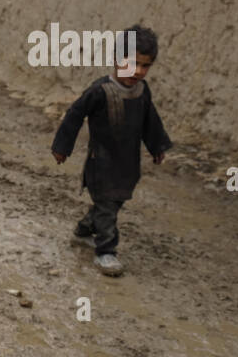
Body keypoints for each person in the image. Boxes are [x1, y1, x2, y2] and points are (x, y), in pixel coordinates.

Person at [51, 25, 172, 277]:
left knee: (114, 202)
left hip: (128, 163)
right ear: (116, 59)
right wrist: (62, 147)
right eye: (132, 63)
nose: (138, 71)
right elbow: (74, 116)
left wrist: (158, 145)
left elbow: (151, 120)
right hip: (101, 163)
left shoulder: (141, 90)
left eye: (145, 65)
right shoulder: (100, 91)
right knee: (107, 204)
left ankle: (85, 229)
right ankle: (106, 251)